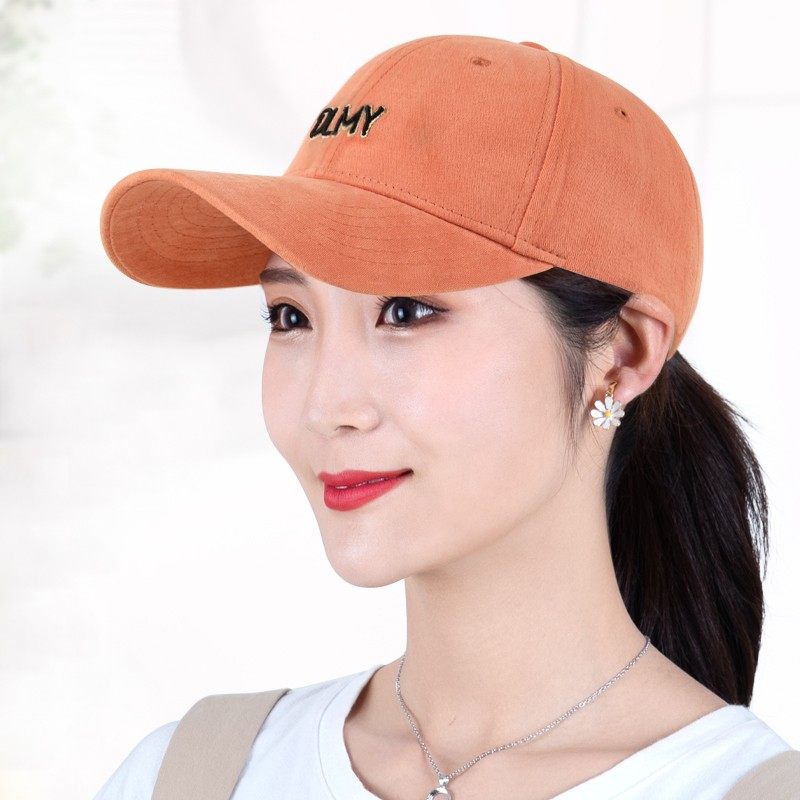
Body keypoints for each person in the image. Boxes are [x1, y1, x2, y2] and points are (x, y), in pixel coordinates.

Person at [92, 34, 796, 800]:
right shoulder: (188, 776)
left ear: (624, 354)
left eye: (405, 310)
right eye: (291, 316)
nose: (326, 406)